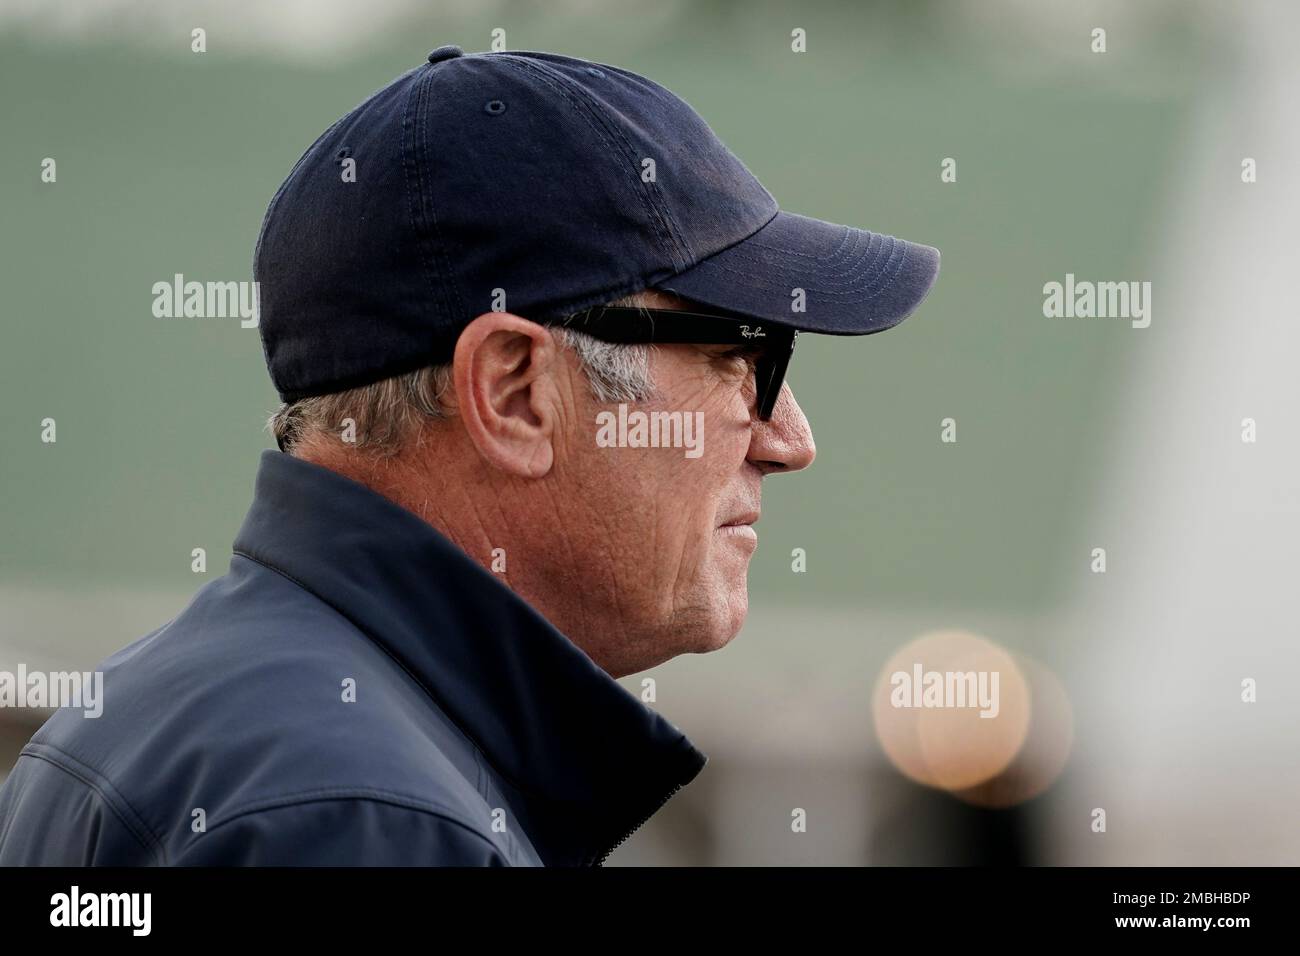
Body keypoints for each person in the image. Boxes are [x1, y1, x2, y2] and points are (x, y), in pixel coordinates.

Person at [0, 46, 939, 865]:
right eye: (741, 358)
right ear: (515, 393)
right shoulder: (365, 818)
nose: (790, 442)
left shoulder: (184, 717)